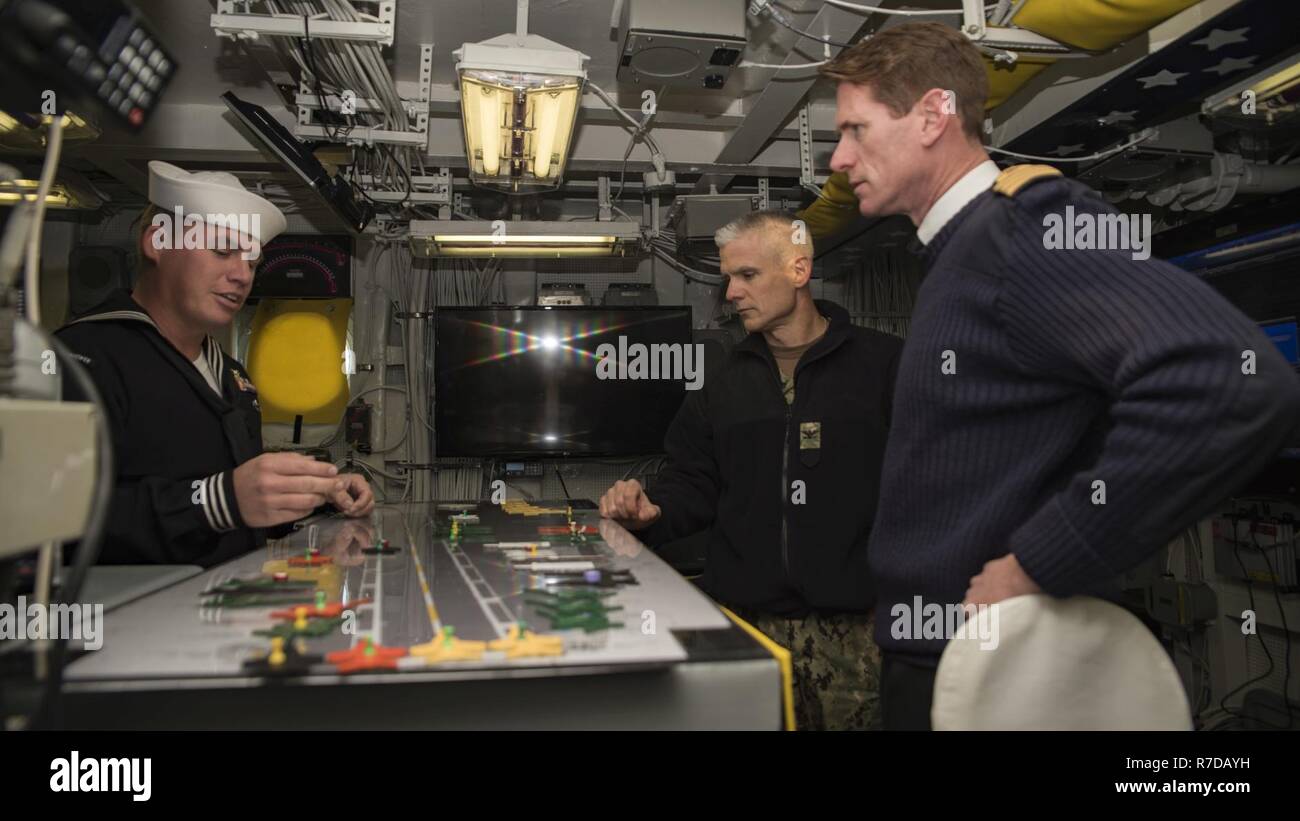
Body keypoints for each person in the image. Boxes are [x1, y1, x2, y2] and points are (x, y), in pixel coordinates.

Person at [819, 21, 1300, 729]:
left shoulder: (1025, 227)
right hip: (939, 657)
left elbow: (1228, 376)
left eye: (856, 130)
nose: (837, 157)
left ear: (931, 116)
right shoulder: (958, 254)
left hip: (1000, 668)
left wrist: (1040, 560)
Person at [599, 210, 902, 730]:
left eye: (748, 275)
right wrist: (651, 511)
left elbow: (928, 487)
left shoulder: (886, 367)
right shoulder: (723, 384)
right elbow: (692, 482)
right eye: (728, 279)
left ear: (799, 271)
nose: (732, 293)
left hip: (856, 636)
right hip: (745, 628)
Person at [56, 161, 373, 567]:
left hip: (221, 612)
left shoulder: (233, 376)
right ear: (157, 242)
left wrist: (316, 496)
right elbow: (51, 518)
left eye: (252, 263)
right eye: (223, 251)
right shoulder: (83, 358)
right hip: (127, 620)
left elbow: (240, 512)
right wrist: (220, 501)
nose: (242, 274)